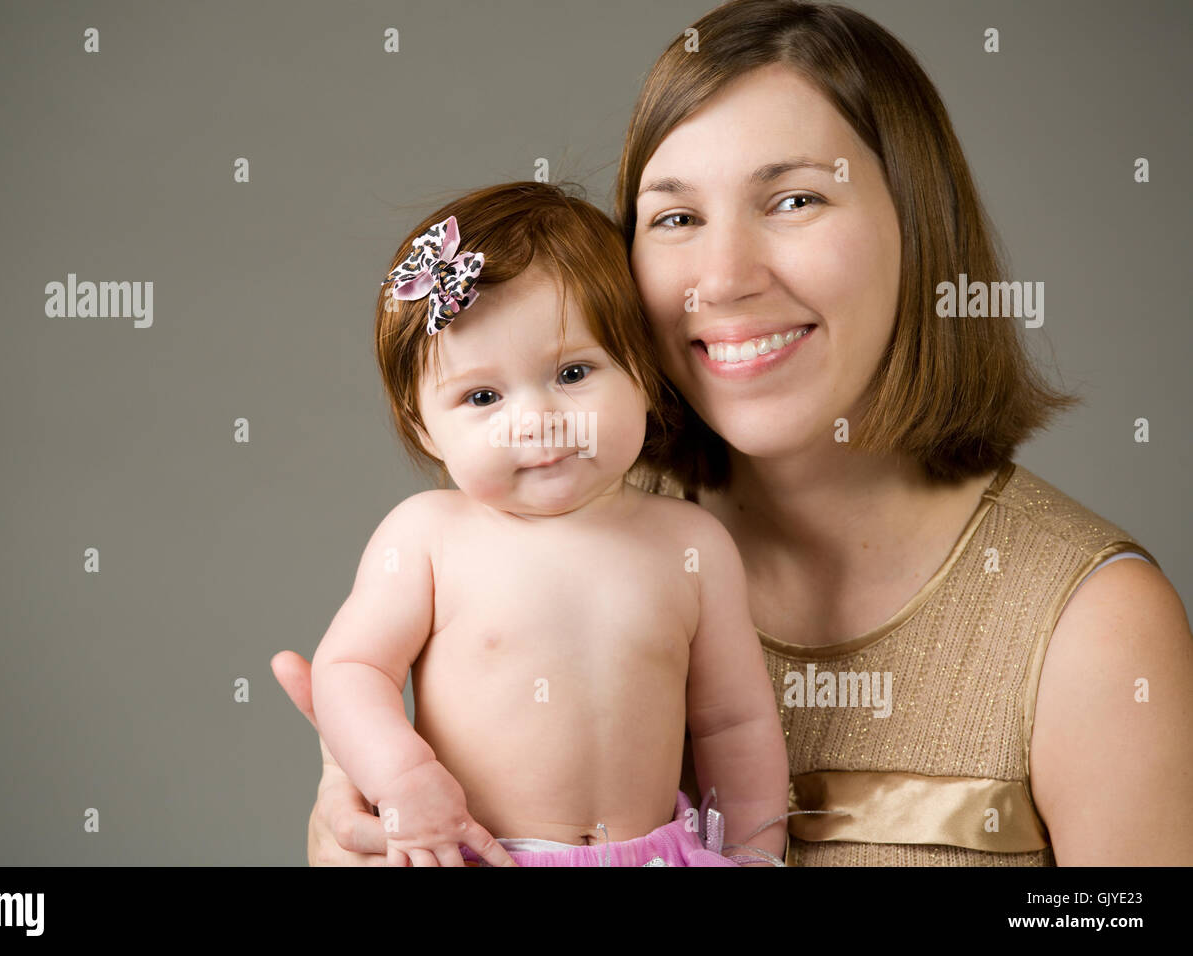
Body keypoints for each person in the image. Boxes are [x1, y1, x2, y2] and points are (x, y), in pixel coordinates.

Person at [274, 0, 1193, 866]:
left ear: (920, 224)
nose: (722, 278)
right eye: (675, 217)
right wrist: (355, 818)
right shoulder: (560, 525)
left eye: (794, 200)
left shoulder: (1088, 625)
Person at [304, 182, 791, 866]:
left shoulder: (692, 545)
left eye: (571, 372)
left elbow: (732, 722)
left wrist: (753, 850)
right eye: (482, 395)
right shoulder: (428, 538)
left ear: (644, 377)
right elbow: (351, 668)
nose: (536, 419)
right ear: (426, 427)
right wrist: (405, 781)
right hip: (478, 852)